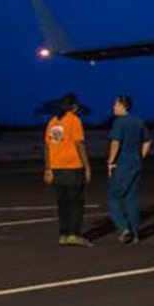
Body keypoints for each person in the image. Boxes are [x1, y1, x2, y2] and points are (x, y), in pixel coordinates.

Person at [43, 92, 93, 246]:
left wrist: (48, 168)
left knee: (63, 203)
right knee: (76, 203)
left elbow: (47, 146)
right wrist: (87, 167)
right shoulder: (74, 120)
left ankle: (63, 234)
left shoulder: (52, 122)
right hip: (72, 167)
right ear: (73, 106)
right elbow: (79, 144)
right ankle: (74, 234)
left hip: (57, 168)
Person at [107, 94, 152, 243]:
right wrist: (140, 157)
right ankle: (135, 234)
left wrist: (110, 161)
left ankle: (124, 228)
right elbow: (147, 141)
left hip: (123, 164)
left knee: (114, 197)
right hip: (136, 163)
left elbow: (115, 143)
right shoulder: (139, 121)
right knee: (131, 199)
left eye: (115, 104)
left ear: (122, 105)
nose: (113, 107)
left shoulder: (119, 122)